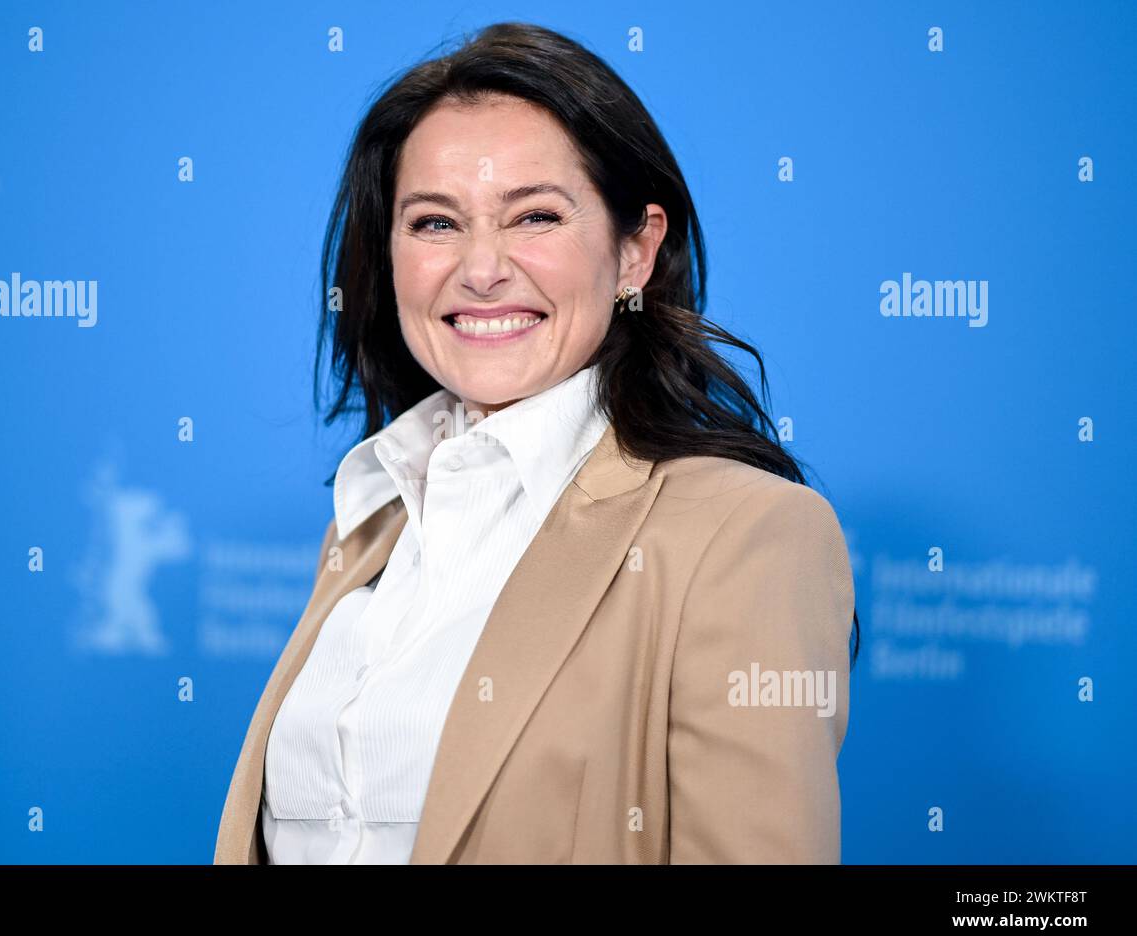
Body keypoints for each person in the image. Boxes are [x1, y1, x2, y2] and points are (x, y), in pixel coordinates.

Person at [215, 21, 859, 865]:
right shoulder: (369, 522)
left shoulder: (747, 536)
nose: (481, 269)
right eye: (435, 223)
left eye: (535, 216)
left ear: (635, 251)